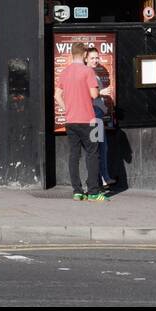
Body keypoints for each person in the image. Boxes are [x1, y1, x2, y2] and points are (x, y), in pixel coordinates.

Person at [55, 42, 105, 201]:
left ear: (71, 54)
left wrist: (67, 108)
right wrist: (98, 90)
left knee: (74, 155)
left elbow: (57, 95)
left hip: (71, 120)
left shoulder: (64, 72)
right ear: (84, 55)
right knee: (93, 153)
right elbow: (94, 95)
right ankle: (93, 192)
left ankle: (77, 191)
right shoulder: (88, 71)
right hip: (88, 120)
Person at [85, 47, 116, 190]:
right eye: (92, 58)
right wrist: (101, 92)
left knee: (102, 147)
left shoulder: (94, 74)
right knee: (96, 149)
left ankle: (103, 177)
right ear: (86, 59)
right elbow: (87, 96)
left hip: (98, 115)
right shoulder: (86, 74)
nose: (95, 60)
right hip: (92, 116)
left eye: (97, 57)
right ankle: (97, 180)